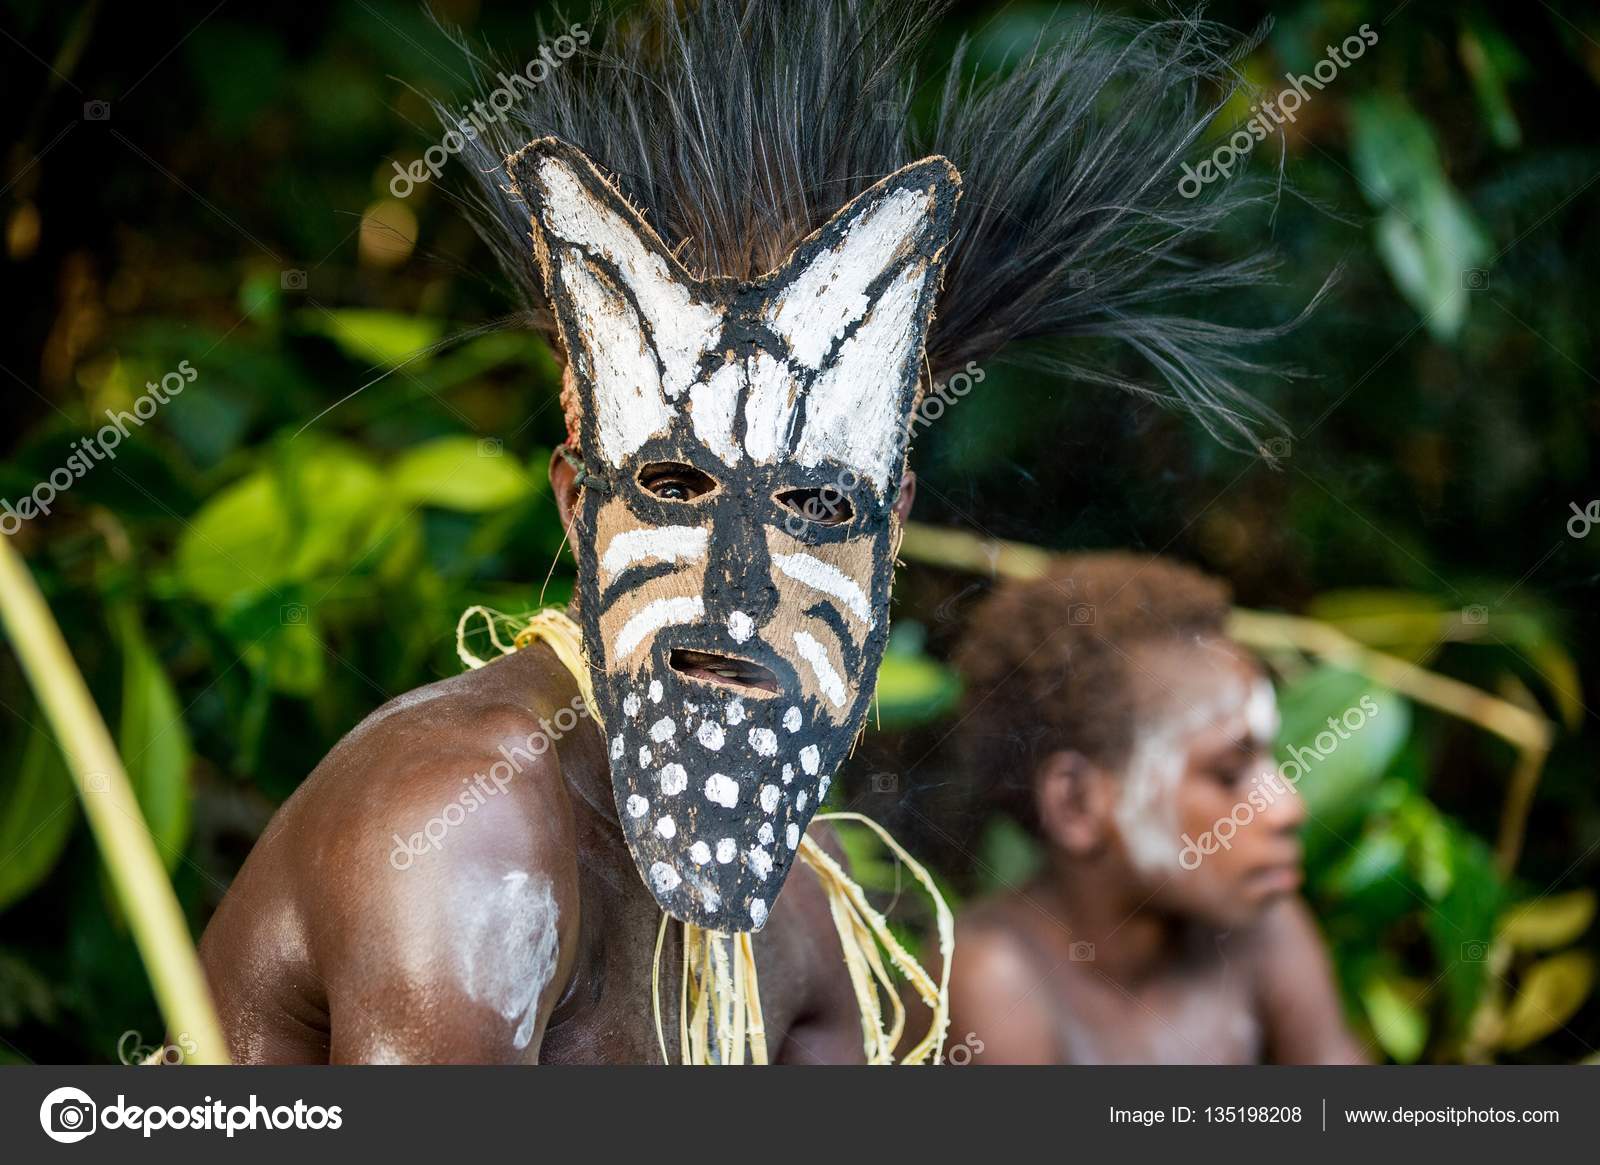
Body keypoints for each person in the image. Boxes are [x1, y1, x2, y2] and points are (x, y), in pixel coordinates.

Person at [198, 0, 1304, 1064]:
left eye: (816, 510)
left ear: (893, 531)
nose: (741, 583)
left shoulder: (805, 908)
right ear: (580, 506)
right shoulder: (463, 831)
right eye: (677, 485)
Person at [945, 554, 1364, 1064]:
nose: (1287, 807)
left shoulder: (1262, 929)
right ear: (1077, 803)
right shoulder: (997, 986)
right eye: (1228, 774)